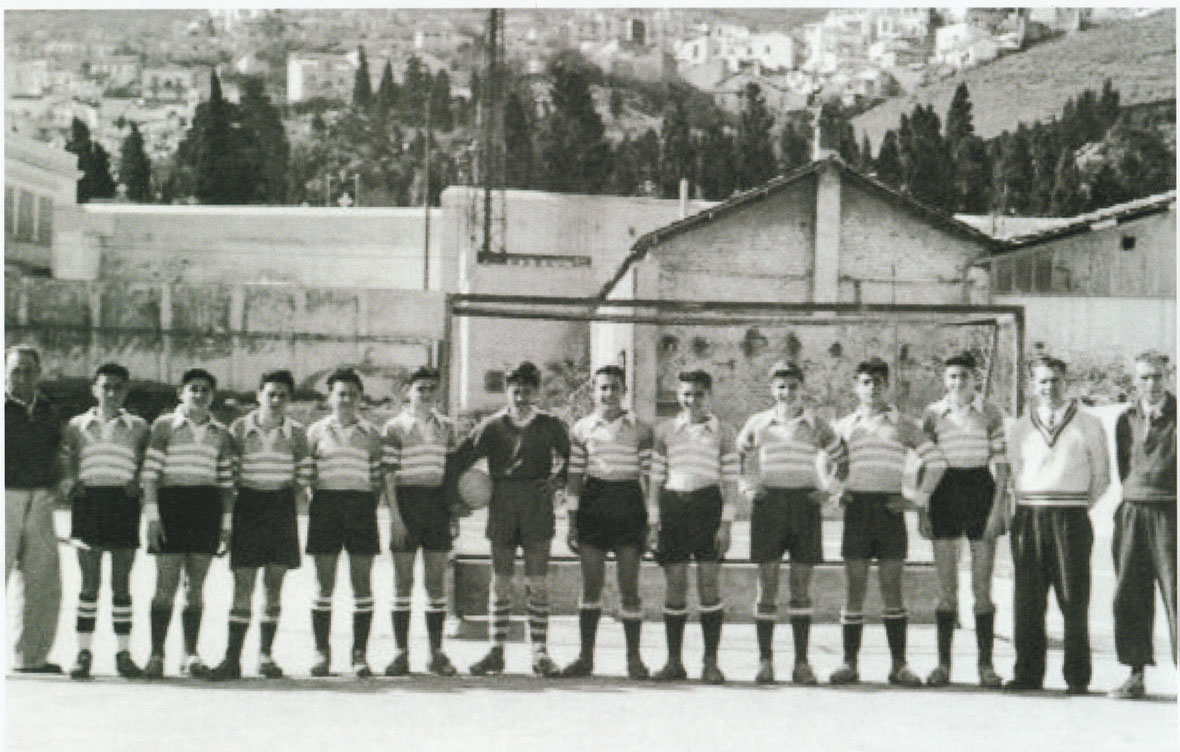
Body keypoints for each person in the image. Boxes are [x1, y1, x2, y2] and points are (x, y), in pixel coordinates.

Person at [448, 361, 570, 677]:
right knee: (500, 580)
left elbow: (576, 457)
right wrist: (457, 500)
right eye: (515, 389)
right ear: (507, 390)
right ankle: (496, 651)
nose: (521, 395)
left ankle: (540, 652)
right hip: (503, 502)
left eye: (527, 389)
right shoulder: (491, 426)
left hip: (536, 504)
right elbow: (458, 459)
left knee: (537, 580)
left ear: (537, 391)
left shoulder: (550, 425)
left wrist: (558, 481)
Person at [829, 358, 946, 687]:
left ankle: (899, 665)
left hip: (889, 508)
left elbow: (935, 461)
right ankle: (848, 663)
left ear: (887, 385)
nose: (872, 387)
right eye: (866, 382)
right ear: (856, 386)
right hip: (858, 509)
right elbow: (824, 463)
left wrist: (916, 500)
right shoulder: (844, 425)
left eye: (879, 382)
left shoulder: (903, 424)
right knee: (855, 587)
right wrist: (836, 491)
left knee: (892, 587)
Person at [737, 361, 847, 685]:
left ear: (802, 389)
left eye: (793, 387)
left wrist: (829, 491)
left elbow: (843, 458)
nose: (787, 393)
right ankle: (764, 661)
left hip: (803, 505)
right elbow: (739, 456)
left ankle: (801, 663)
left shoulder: (817, 424)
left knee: (800, 587)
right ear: (772, 390)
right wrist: (747, 487)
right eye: (781, 387)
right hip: (769, 505)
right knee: (767, 584)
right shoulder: (758, 423)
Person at [1004, 355, 1110, 694]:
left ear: (1066, 382)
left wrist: (1075, 504)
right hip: (1030, 515)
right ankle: (1028, 673)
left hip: (1070, 517)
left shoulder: (1089, 423)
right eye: (1043, 381)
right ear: (1033, 386)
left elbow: (1102, 476)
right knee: (1028, 599)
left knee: (1073, 597)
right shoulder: (1019, 427)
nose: (1050, 387)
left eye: (1056, 380)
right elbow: (1015, 472)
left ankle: (1077, 676)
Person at [209, 370, 312, 680]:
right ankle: (232, 658)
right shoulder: (239, 429)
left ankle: (266, 656)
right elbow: (228, 477)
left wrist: (291, 505)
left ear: (289, 400)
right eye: (271, 394)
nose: (276, 400)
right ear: (259, 396)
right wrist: (229, 519)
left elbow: (303, 476)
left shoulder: (296, 433)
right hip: (248, 506)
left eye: (283, 395)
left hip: (280, 507)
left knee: (274, 585)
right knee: (243, 583)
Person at [918, 352, 1009, 688]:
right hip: (944, 492)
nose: (958, 383)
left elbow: (1002, 467)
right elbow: (924, 464)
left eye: (965, 376)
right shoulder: (931, 414)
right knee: (946, 588)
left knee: (981, 587)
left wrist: (998, 510)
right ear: (945, 379)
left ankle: (986, 666)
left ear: (975, 378)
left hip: (980, 492)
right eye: (952, 376)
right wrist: (922, 508)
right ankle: (943, 666)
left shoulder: (990, 412)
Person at [141, 368, 235, 679]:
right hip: (172, 506)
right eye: (193, 389)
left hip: (205, 507)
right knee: (165, 585)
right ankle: (156, 655)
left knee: (196, 587)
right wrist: (153, 518)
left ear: (212, 395)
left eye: (205, 390)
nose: (199, 394)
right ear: (181, 393)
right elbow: (150, 475)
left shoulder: (221, 433)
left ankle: (190, 654)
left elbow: (225, 483)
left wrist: (226, 525)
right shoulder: (164, 426)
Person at [562, 365, 653, 680]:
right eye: (603, 388)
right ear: (593, 391)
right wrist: (571, 521)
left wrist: (652, 521)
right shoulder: (581, 428)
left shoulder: (641, 429)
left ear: (624, 391)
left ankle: (634, 659)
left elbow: (648, 478)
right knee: (591, 587)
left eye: (615, 388)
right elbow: (574, 478)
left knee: (629, 586)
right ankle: (585, 658)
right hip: (594, 503)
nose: (609, 394)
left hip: (628, 504)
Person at [59, 362, 149, 679]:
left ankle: (123, 654)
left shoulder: (138, 426)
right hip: (89, 504)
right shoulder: (76, 425)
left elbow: (146, 462)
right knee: (89, 584)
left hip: (123, 504)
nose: (111, 393)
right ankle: (83, 653)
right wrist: (72, 481)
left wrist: (136, 481)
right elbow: (68, 457)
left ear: (126, 390)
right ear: (94, 389)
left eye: (118, 387)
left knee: (122, 585)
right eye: (105, 387)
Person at [649, 369, 739, 685]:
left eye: (698, 394)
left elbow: (730, 481)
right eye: (686, 394)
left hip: (708, 507)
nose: (692, 401)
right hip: (674, 507)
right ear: (678, 396)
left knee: (708, 584)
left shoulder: (724, 431)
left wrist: (726, 524)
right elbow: (656, 479)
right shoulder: (665, 431)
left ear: (709, 396)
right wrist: (653, 521)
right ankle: (674, 661)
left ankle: (710, 663)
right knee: (675, 584)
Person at [305, 368, 387, 678]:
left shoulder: (372, 434)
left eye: (353, 394)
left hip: (361, 507)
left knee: (361, 583)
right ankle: (321, 653)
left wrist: (363, 501)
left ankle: (359, 655)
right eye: (341, 394)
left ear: (360, 399)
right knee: (324, 583)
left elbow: (378, 478)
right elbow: (308, 476)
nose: (347, 400)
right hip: (326, 506)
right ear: (330, 398)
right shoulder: (315, 432)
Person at [381, 367, 460, 677]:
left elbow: (451, 474)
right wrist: (396, 518)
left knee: (435, 582)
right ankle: (401, 652)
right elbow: (388, 476)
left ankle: (436, 653)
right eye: (420, 389)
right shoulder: (394, 428)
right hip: (407, 504)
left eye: (431, 388)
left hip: (437, 505)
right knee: (403, 582)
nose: (426, 394)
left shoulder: (448, 427)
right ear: (408, 392)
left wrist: (452, 515)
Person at [1110, 350, 1176, 699]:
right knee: (1130, 594)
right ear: (1135, 380)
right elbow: (1126, 467)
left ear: (1170, 376)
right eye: (1144, 377)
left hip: (1171, 514)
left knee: (1176, 595)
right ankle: (1135, 674)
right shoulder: (1126, 418)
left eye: (1158, 376)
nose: (1151, 384)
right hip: (1134, 510)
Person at [5, 344, 64, 674]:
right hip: (5, 496)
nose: (22, 377)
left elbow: (59, 451)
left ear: (39, 374)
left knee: (42, 581)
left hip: (41, 498)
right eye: (15, 370)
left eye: (29, 370)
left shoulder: (48, 410)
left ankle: (31, 657)